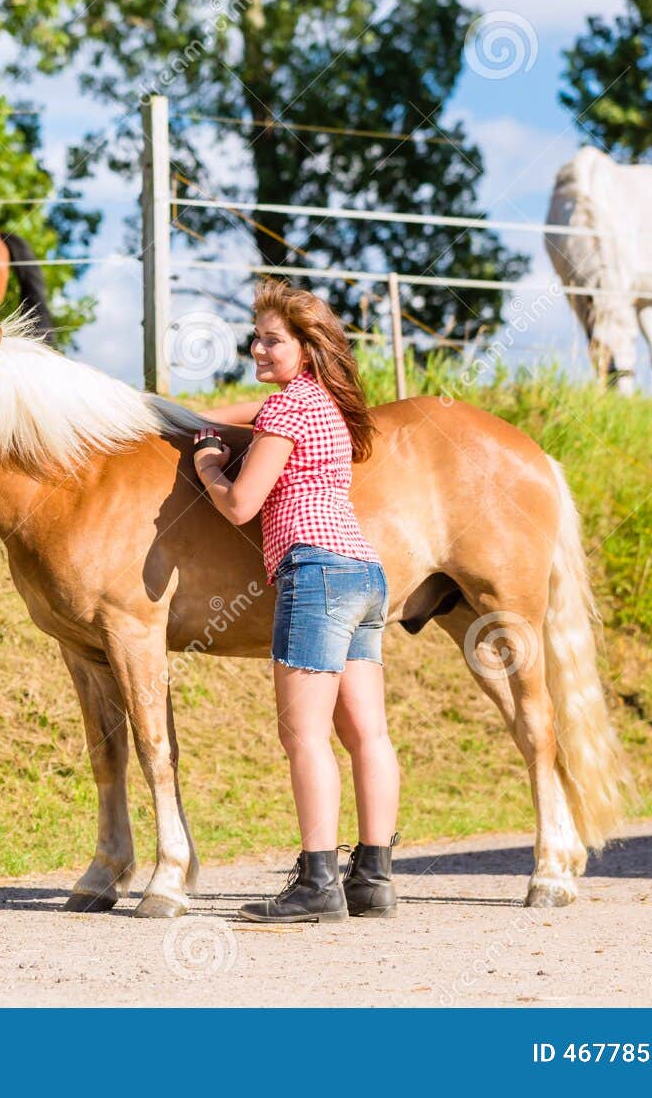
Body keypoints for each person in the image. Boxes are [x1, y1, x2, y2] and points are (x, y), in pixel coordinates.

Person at [190, 279, 400, 923]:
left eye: (271, 340)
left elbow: (240, 504)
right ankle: (373, 877)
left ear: (305, 348)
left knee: (303, 734)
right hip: (364, 572)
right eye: (255, 337)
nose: (257, 347)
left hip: (315, 572)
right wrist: (204, 415)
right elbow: (252, 414)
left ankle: (317, 882)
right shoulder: (325, 405)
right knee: (368, 733)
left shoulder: (287, 408)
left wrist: (206, 463)